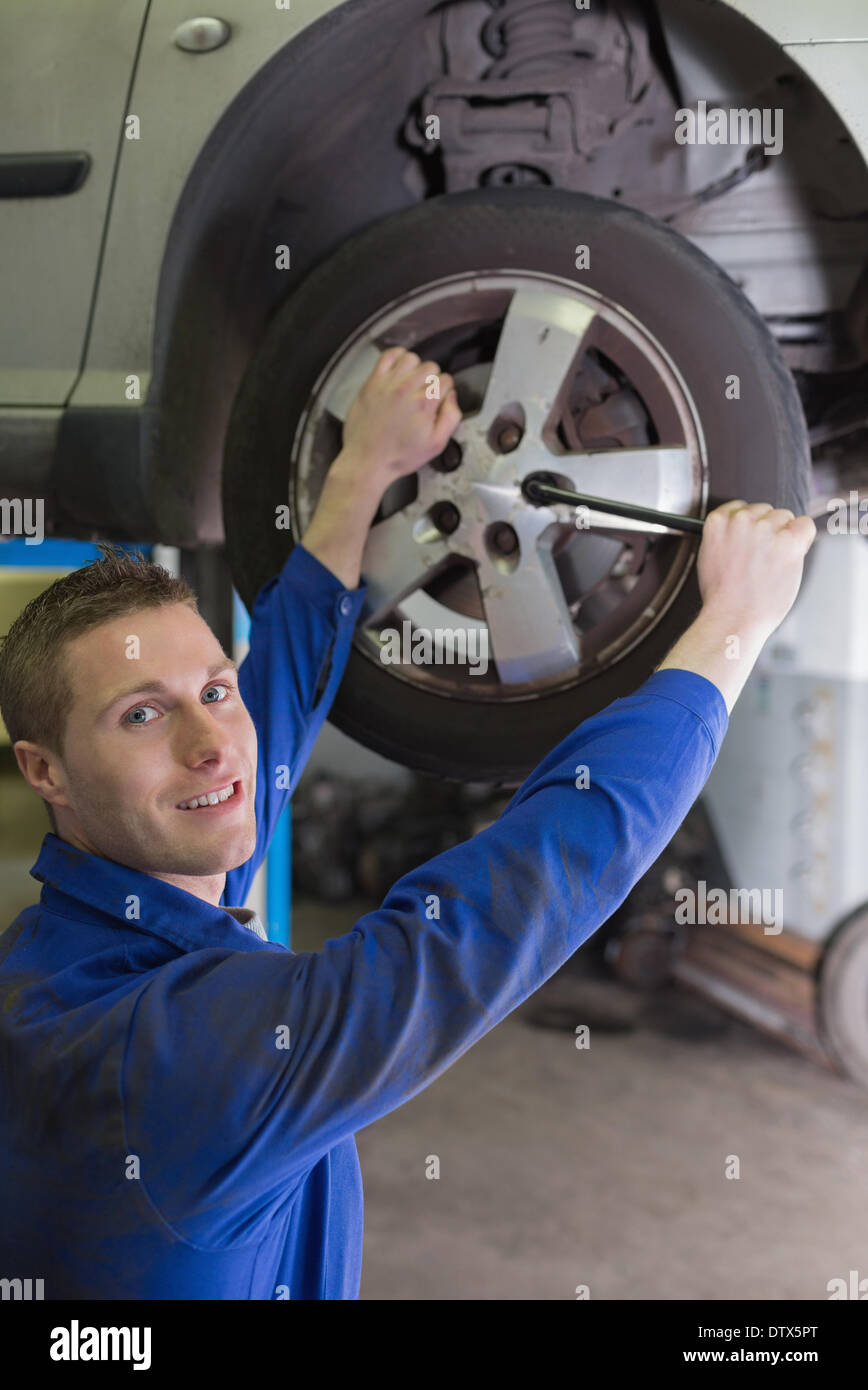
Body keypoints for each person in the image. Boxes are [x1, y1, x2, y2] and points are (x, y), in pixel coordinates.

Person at [0, 348, 815, 1300]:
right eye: (140, 714)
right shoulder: (163, 1061)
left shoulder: (88, 933)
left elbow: (255, 739)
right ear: (43, 770)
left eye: (215, 690)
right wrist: (735, 625)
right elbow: (496, 912)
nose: (211, 744)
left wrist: (360, 476)